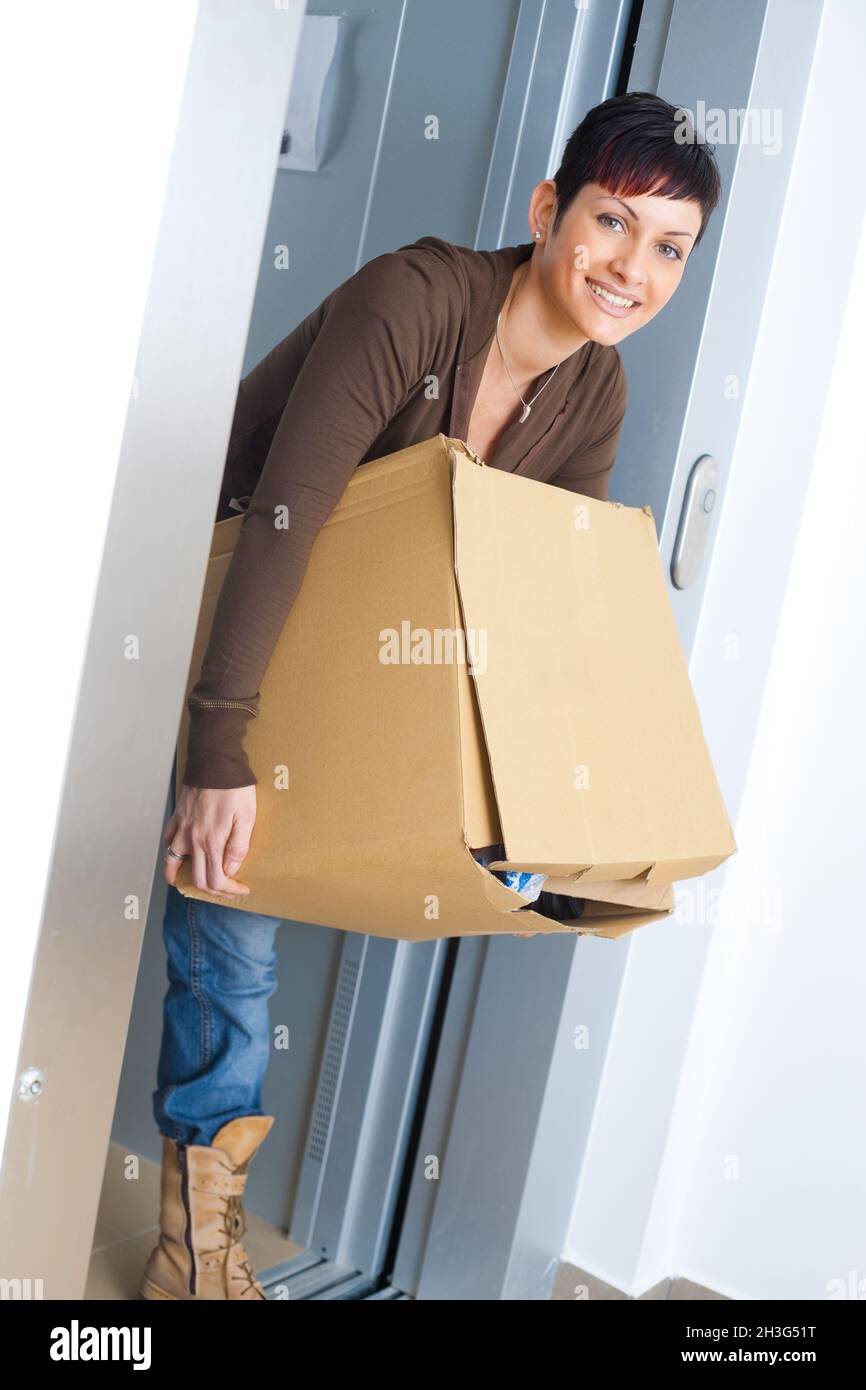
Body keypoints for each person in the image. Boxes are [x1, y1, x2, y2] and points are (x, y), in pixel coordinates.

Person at [140, 90, 721, 1300]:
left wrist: (548, 814)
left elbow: (534, 614)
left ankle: (193, 1244)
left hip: (341, 655)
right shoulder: (415, 300)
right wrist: (218, 746)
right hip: (206, 608)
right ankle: (195, 1264)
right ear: (545, 208)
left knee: (243, 925)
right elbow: (284, 522)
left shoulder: (590, 394)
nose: (632, 269)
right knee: (233, 933)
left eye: (668, 247)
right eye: (610, 223)